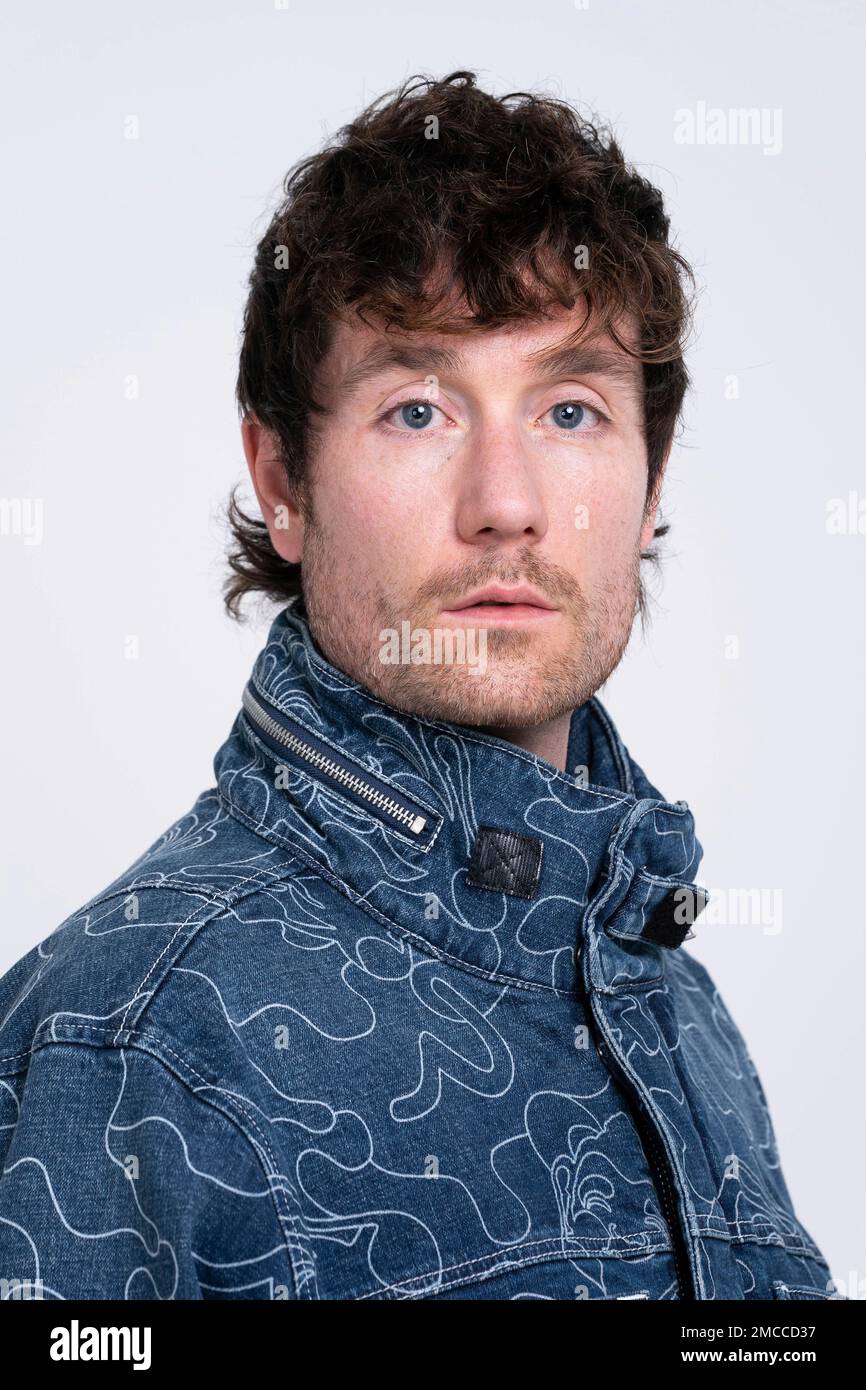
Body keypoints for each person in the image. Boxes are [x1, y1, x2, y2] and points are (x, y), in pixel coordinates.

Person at [0, 70, 838, 1302]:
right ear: (280, 478)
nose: (504, 504)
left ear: (652, 483)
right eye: (415, 410)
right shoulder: (121, 1041)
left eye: (567, 408)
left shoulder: (674, 1003)